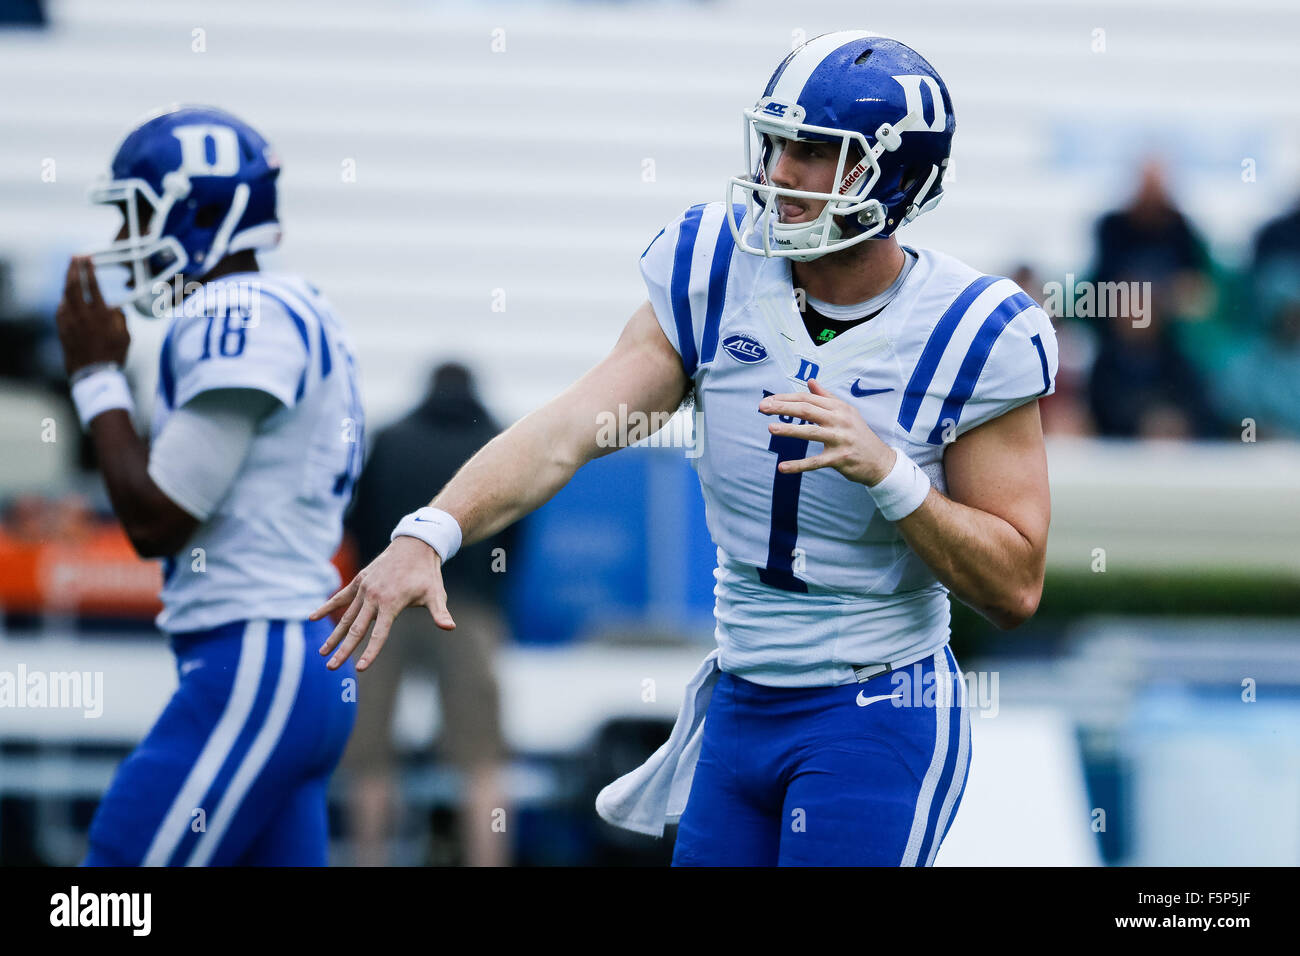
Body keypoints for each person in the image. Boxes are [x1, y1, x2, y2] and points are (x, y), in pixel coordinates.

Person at [315, 32, 1058, 866]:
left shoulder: (971, 332)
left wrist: (890, 475)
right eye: (775, 144)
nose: (779, 173)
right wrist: (432, 530)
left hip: (875, 707)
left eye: (813, 154)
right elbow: (570, 430)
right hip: (741, 702)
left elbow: (1015, 584)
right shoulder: (718, 270)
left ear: (890, 175)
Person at [60, 105, 364, 866]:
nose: (125, 242)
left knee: (114, 888)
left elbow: (158, 521)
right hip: (294, 661)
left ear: (197, 212)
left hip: (258, 659)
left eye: (135, 215)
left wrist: (97, 377)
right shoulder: (288, 306)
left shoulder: (239, 312)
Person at [341, 363, 512, 867]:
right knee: (482, 759)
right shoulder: (496, 445)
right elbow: (515, 535)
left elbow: (359, 524)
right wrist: (492, 600)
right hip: (468, 610)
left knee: (370, 757)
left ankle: (369, 860)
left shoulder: (392, 439)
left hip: (387, 608)